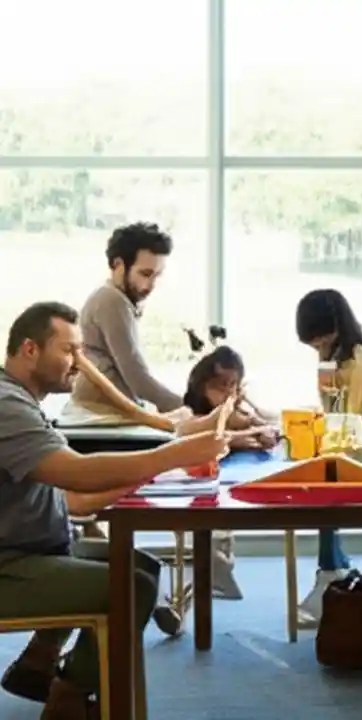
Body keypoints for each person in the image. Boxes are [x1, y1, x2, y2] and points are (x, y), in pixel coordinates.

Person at [0, 302, 230, 720]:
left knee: (143, 566)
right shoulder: (6, 406)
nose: (79, 363)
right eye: (69, 350)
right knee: (132, 585)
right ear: (30, 350)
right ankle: (68, 701)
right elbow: (77, 474)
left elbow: (73, 499)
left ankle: (38, 662)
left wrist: (161, 468)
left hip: (30, 549)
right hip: (11, 565)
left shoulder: (21, 401)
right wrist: (173, 454)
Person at [294, 289, 362, 626]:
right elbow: (329, 407)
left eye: (320, 339)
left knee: (324, 479)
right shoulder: (330, 356)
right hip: (341, 442)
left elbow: (353, 417)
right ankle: (335, 567)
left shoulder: (356, 357)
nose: (318, 347)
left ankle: (331, 571)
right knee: (314, 471)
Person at [178, 345, 280, 601]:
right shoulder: (189, 413)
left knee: (225, 522)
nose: (227, 393)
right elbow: (195, 432)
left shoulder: (237, 413)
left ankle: (219, 569)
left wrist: (259, 429)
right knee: (212, 525)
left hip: (229, 482)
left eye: (233, 385)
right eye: (219, 385)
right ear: (201, 385)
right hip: (197, 490)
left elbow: (266, 427)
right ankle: (214, 571)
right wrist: (242, 435)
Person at [69, 222, 184, 417]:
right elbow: (138, 380)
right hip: (101, 417)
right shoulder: (111, 300)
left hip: (107, 412)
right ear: (118, 265)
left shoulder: (114, 298)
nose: (151, 285)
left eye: (157, 275)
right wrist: (194, 408)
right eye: (145, 274)